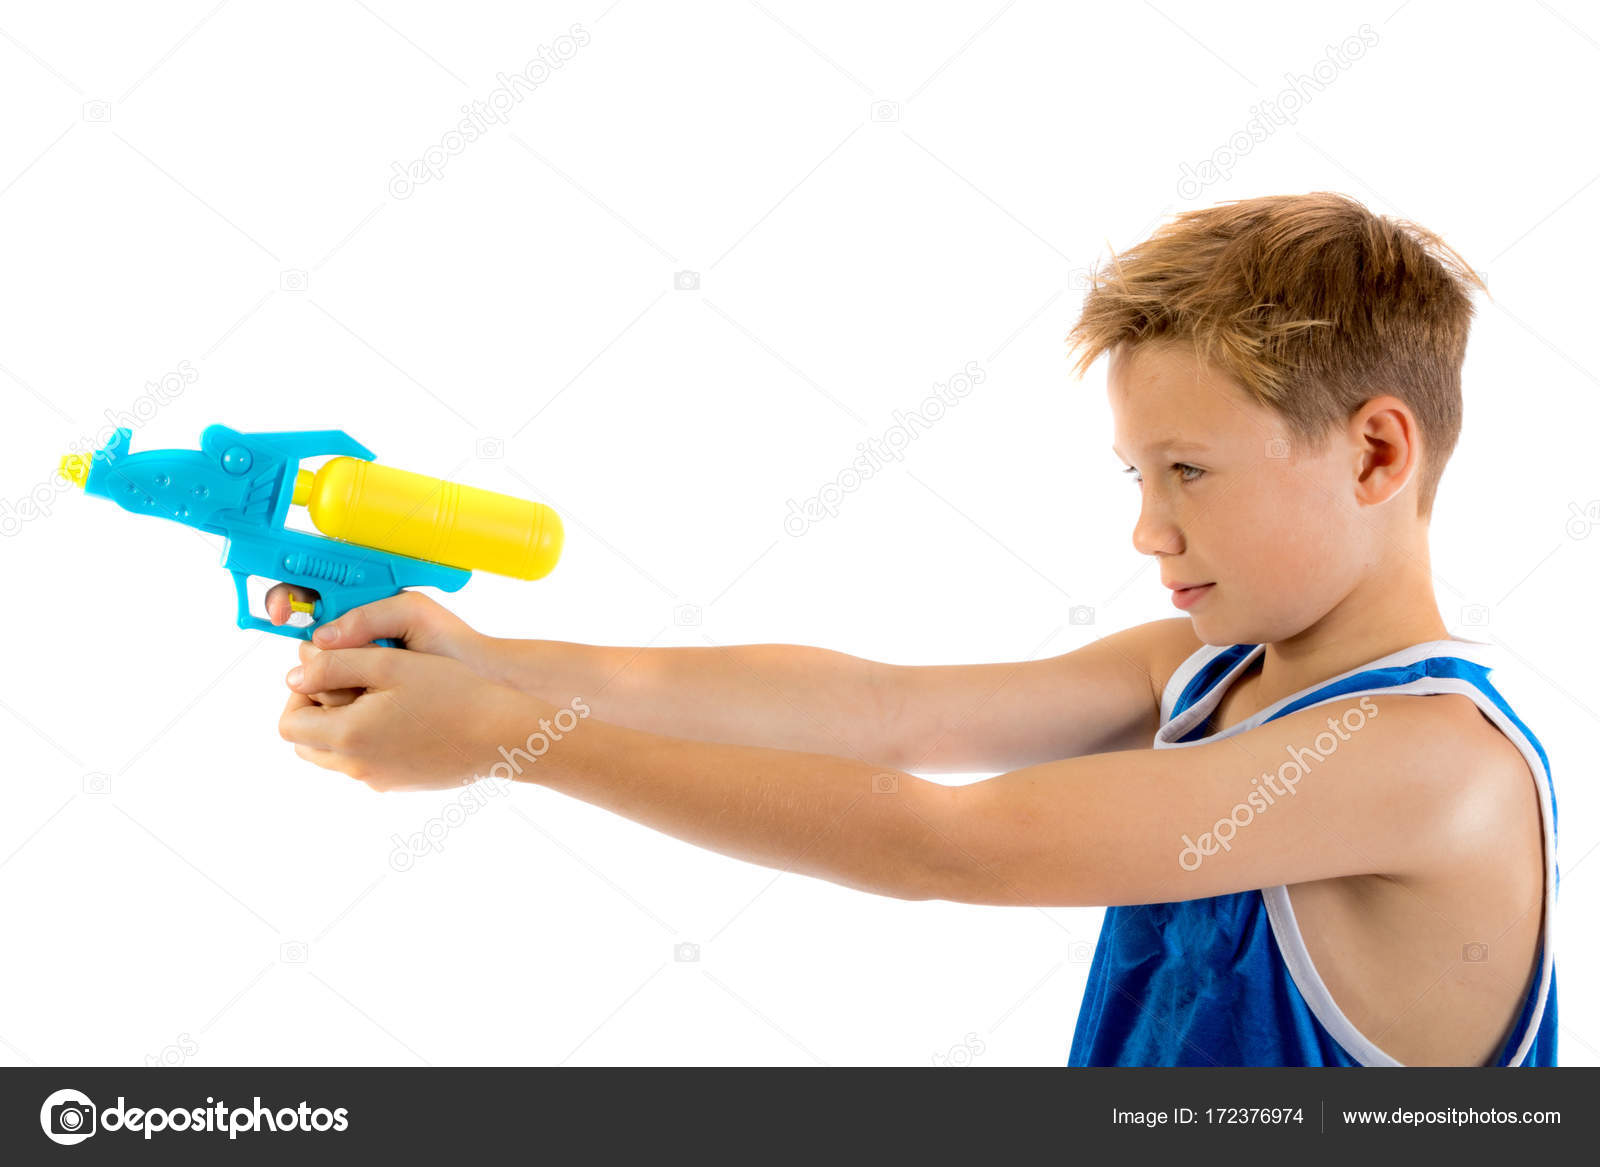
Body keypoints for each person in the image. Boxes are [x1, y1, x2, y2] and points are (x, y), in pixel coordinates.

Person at [271, 191, 1556, 1067]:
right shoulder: (1203, 669)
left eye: (1190, 473)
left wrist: (512, 739)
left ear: (1376, 452)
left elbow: (943, 843)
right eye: (1135, 478)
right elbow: (882, 711)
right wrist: (487, 663)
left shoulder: (1425, 765)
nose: (1147, 533)